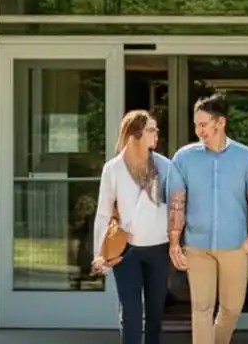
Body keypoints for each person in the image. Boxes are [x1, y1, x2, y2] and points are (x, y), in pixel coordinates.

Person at [167, 94, 248, 344]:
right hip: (197, 246)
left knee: (232, 307)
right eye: (196, 125)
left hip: (234, 245)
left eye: (203, 124)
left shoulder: (246, 157)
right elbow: (176, 203)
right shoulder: (183, 158)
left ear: (220, 123)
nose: (198, 130)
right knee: (201, 309)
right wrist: (174, 241)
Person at [92, 110, 182, 344]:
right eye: (151, 130)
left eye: (156, 129)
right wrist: (99, 253)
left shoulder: (165, 166)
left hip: (158, 249)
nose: (156, 134)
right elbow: (102, 212)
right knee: (130, 315)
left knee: (155, 314)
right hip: (126, 251)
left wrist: (176, 243)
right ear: (135, 134)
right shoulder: (113, 169)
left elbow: (177, 206)